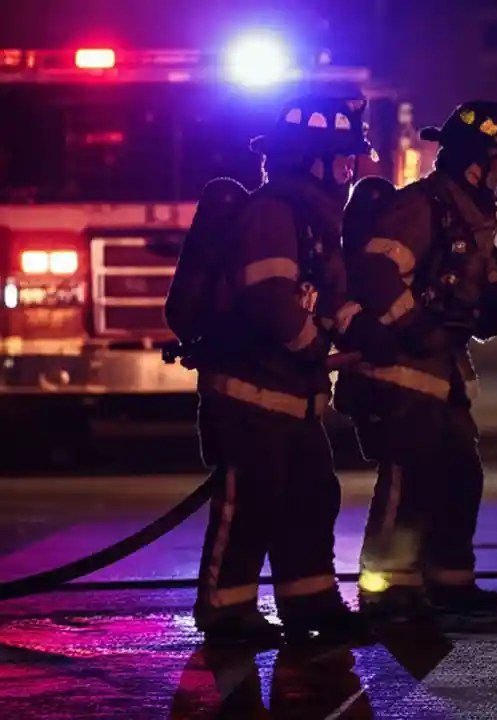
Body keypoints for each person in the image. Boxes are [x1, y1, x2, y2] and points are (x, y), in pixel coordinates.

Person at [187, 94, 395, 644]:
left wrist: (363, 329)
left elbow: (330, 297)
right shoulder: (271, 213)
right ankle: (225, 612)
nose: (351, 175)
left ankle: (310, 606)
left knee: (311, 497)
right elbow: (271, 300)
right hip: (249, 396)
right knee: (248, 502)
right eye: (345, 162)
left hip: (293, 402)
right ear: (314, 162)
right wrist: (310, 347)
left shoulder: (315, 223)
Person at [334, 100, 497, 623]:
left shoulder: (471, 218)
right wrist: (413, 325)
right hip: (398, 370)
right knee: (410, 475)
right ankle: (387, 590)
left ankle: (449, 581)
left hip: (439, 374)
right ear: (477, 161)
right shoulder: (422, 208)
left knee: (460, 473)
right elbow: (377, 272)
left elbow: (486, 278)